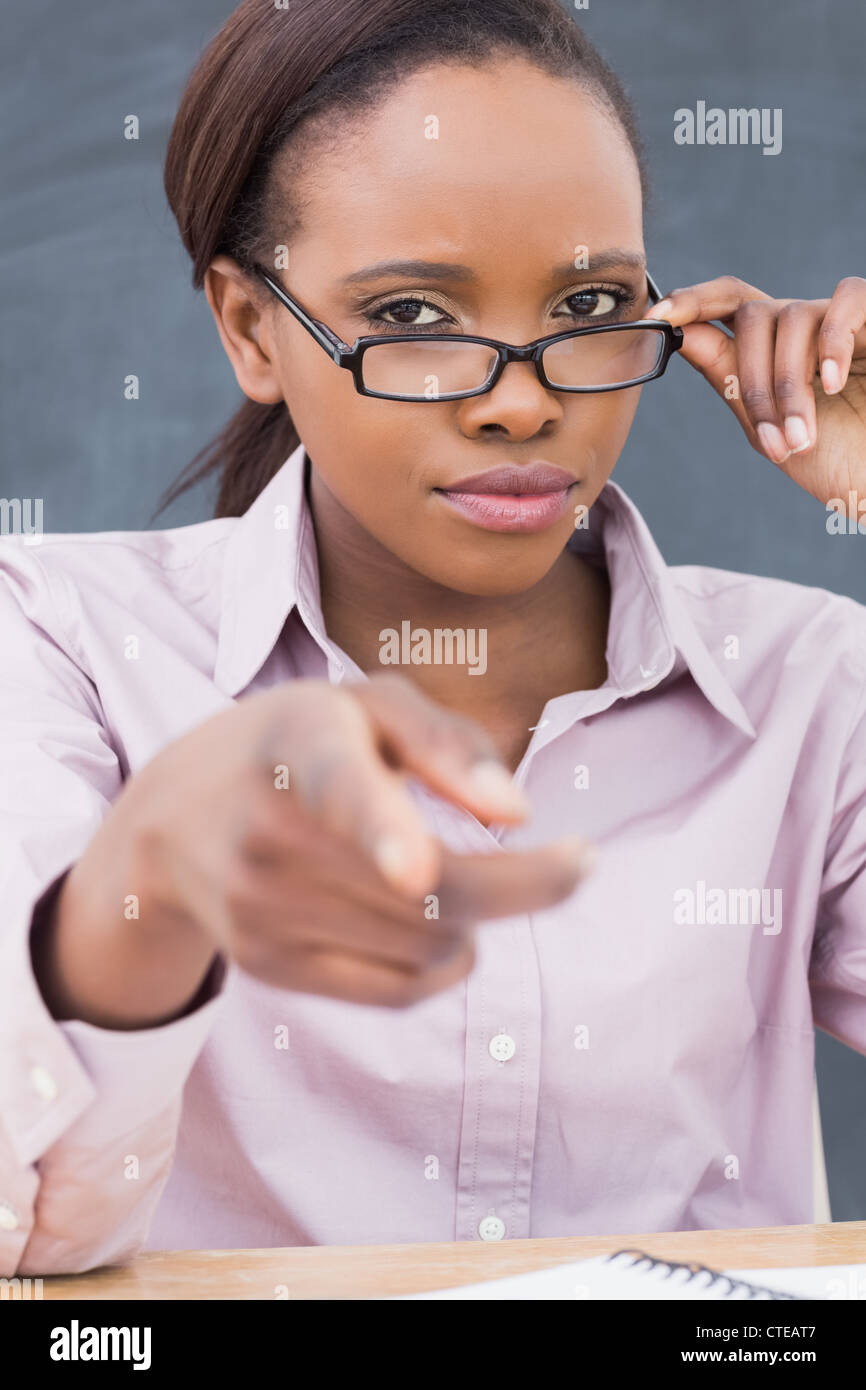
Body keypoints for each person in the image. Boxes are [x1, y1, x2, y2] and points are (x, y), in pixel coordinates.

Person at [2, 0, 865, 1276]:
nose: (521, 403)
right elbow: (29, 1241)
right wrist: (146, 891)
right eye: (409, 317)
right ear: (250, 328)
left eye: (587, 300)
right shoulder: (60, 640)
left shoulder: (809, 683)